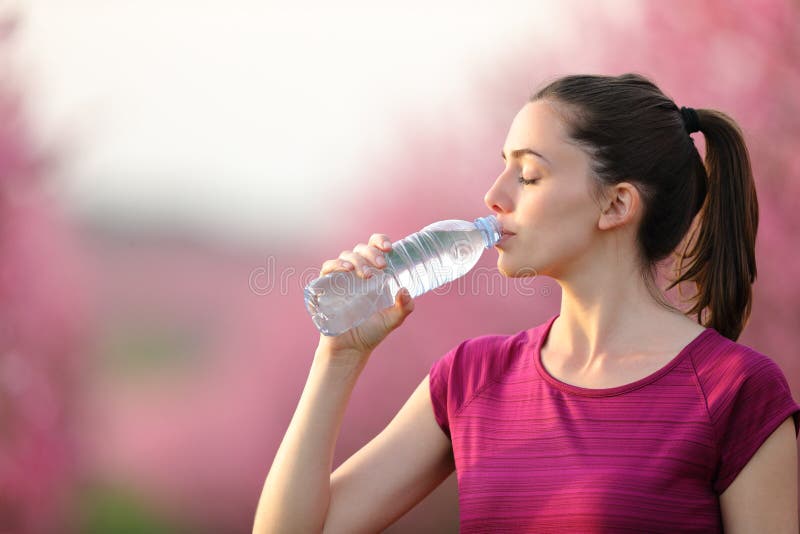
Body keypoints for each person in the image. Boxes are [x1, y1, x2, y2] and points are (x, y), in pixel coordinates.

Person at [252, 73, 800, 533]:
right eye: (503, 167)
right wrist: (338, 356)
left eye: (529, 175)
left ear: (615, 205)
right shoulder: (472, 377)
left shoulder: (735, 390)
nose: (495, 195)